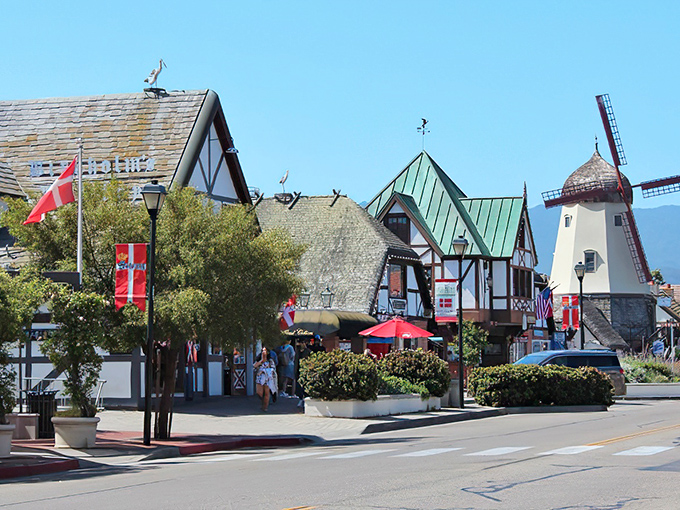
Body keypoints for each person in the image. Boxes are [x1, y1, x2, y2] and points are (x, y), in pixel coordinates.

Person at [254, 347, 277, 411]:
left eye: (265, 351)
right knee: (259, 392)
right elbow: (254, 366)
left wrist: (265, 371)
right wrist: (261, 361)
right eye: (263, 351)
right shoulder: (259, 359)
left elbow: (273, 368)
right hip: (260, 377)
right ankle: (262, 402)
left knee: (267, 393)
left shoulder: (270, 360)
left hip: (267, 377)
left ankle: (265, 407)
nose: (264, 352)